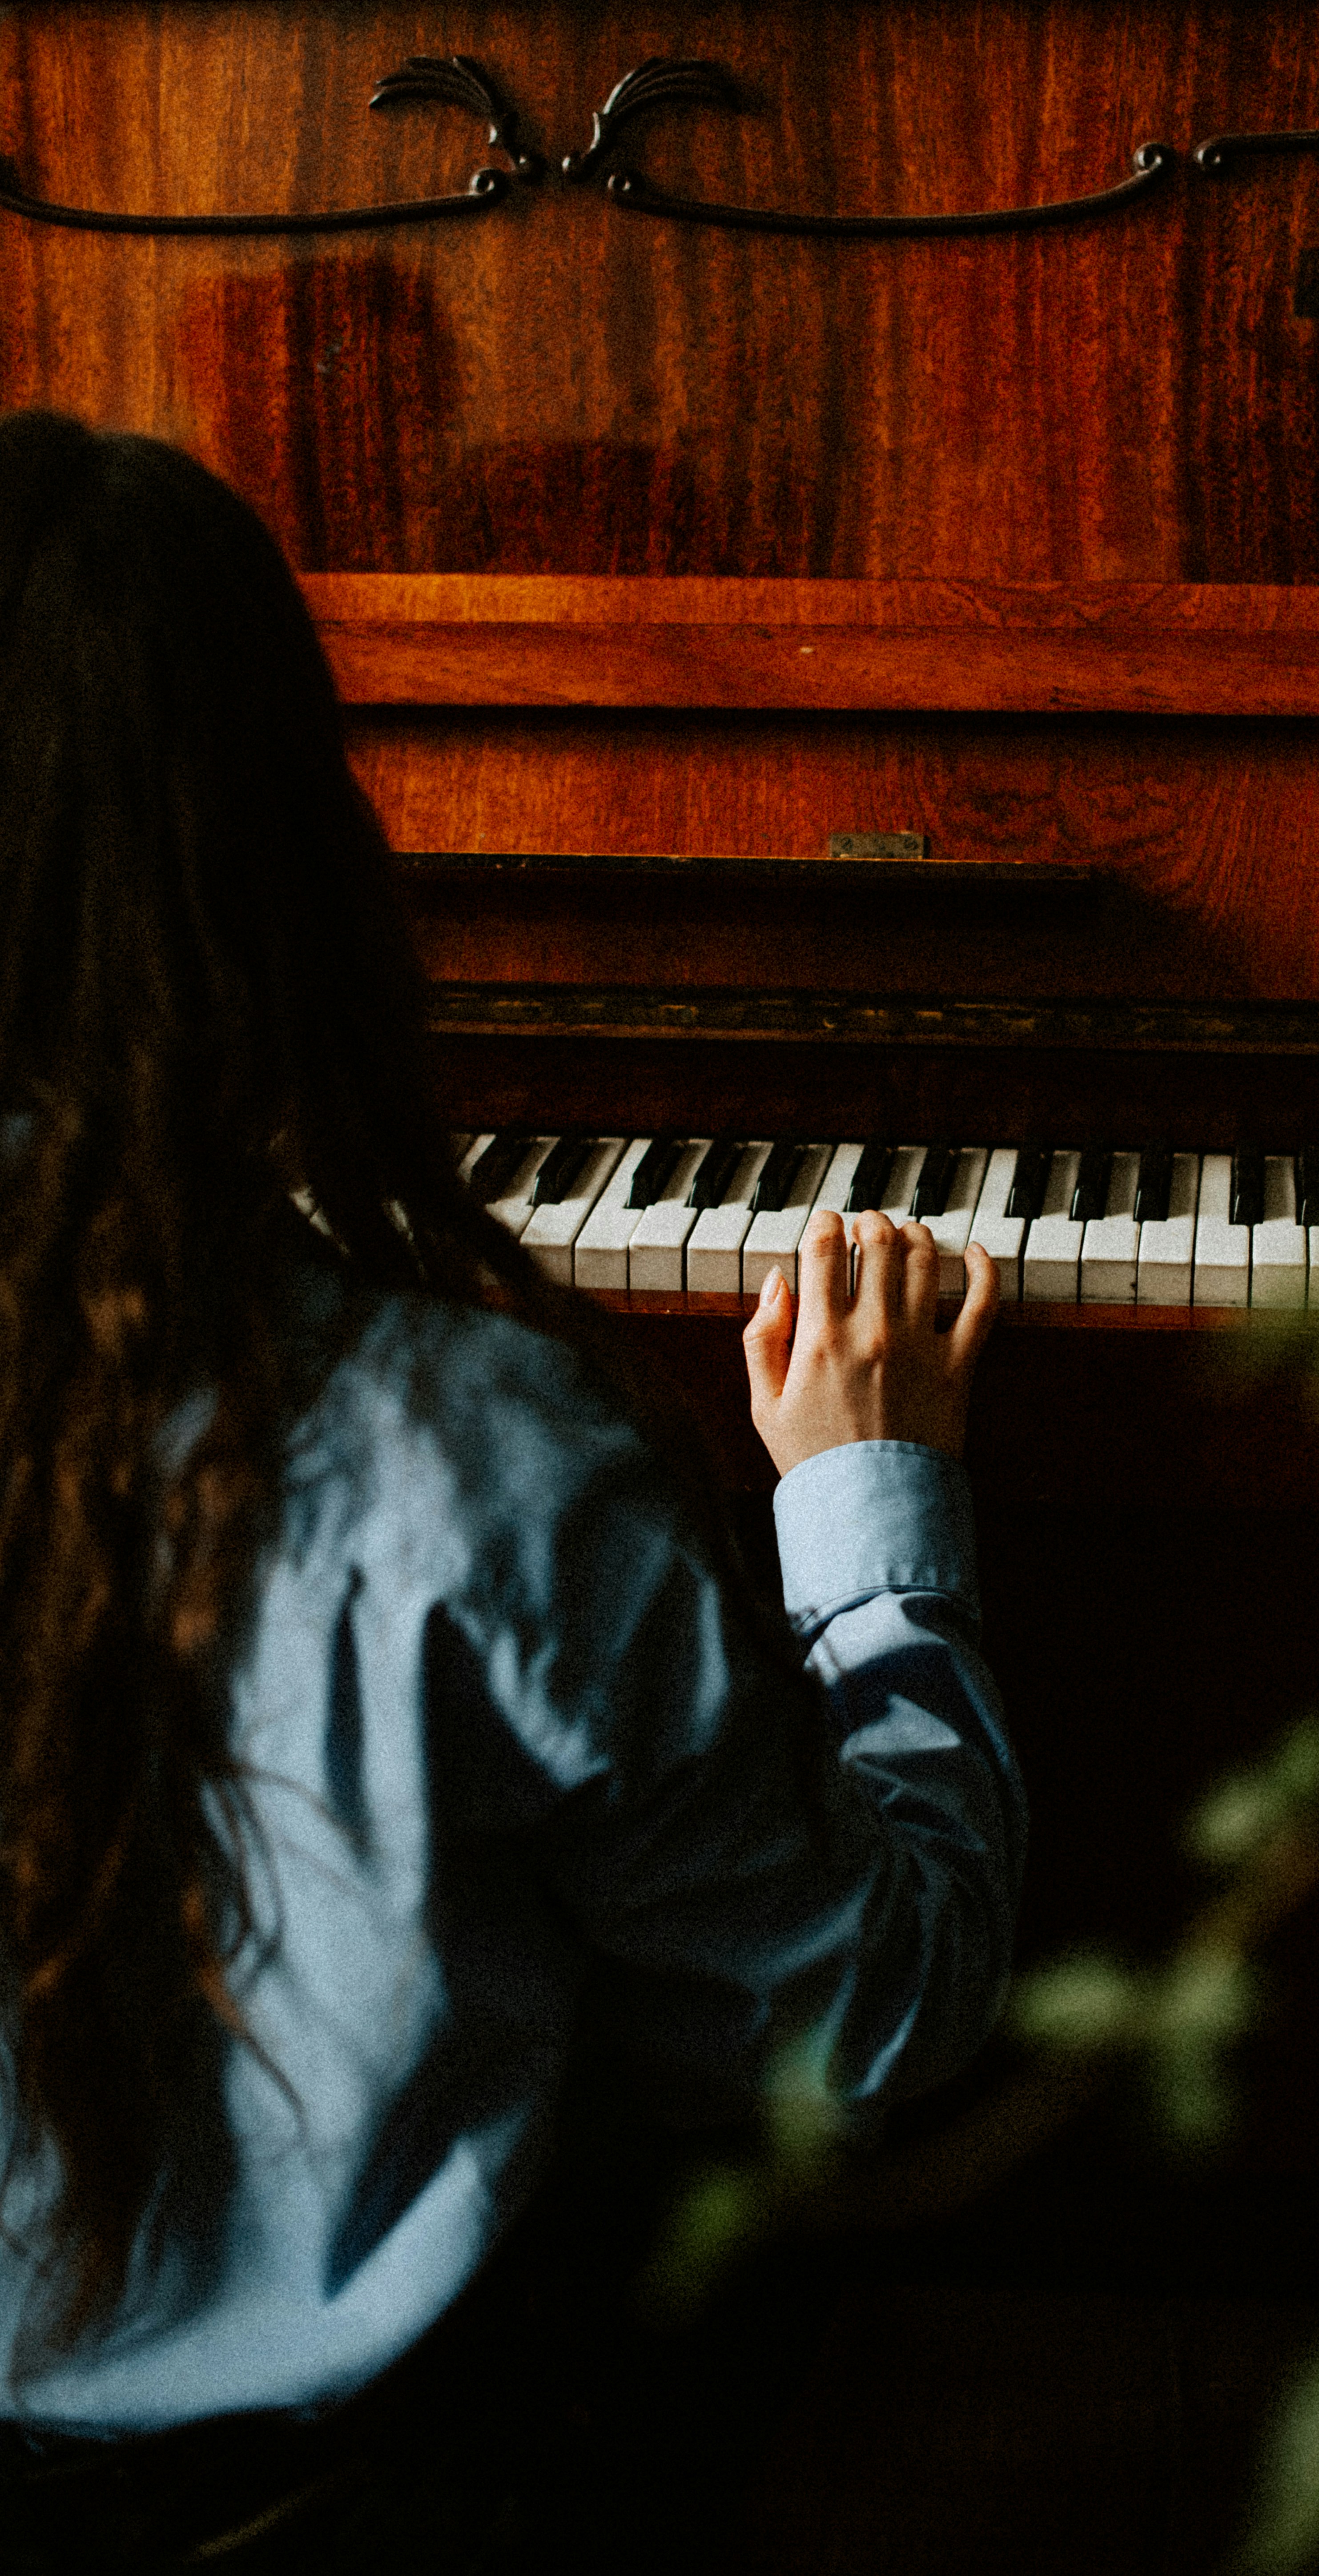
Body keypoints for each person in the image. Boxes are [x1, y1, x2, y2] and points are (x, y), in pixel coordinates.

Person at [0, 411, 1020, 2566]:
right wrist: (871, 1508)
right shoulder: (456, 1469)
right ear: (280, 857)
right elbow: (880, 2016)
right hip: (355, 2500)